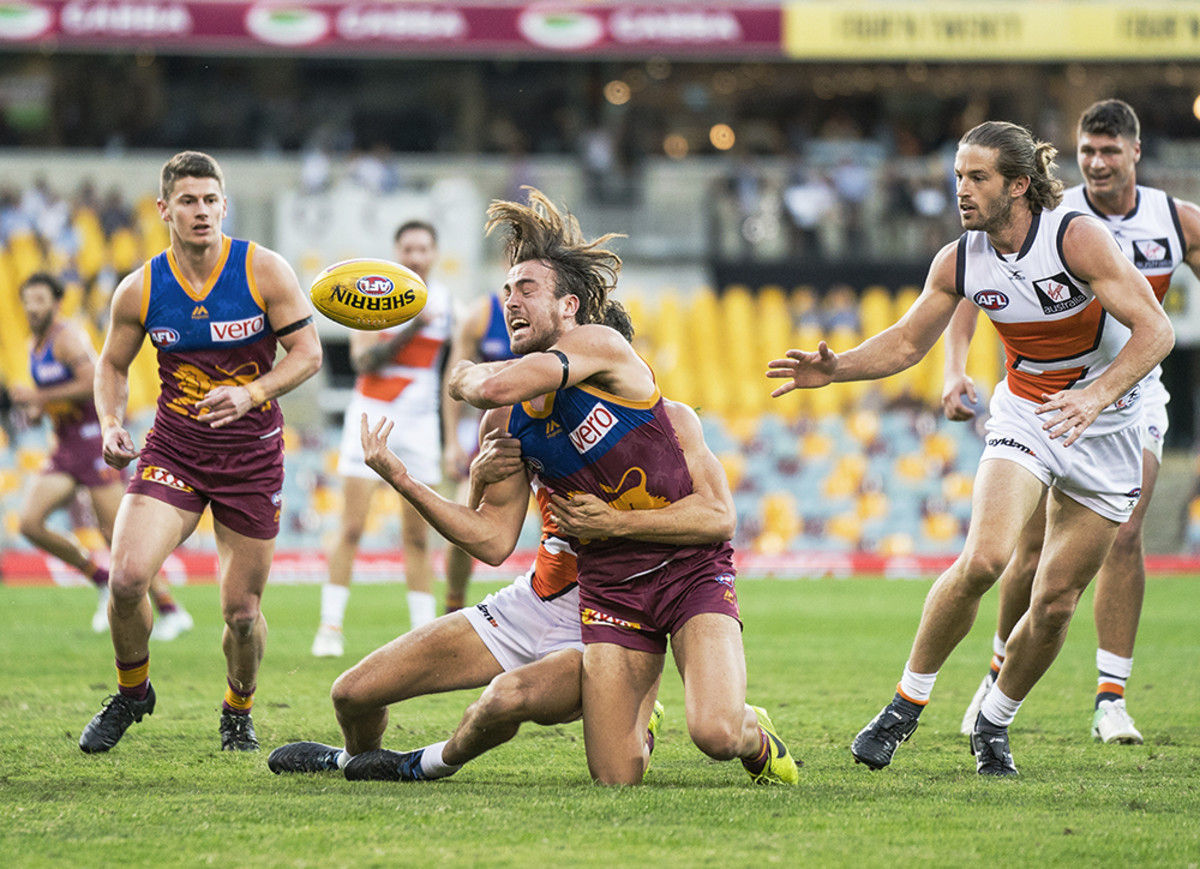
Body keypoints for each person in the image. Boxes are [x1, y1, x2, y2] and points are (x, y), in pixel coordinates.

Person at [767, 121, 1174, 776]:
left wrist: (1096, 399)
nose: (961, 189)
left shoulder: (1076, 238)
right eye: (958, 175)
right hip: (1027, 414)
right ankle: (904, 704)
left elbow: (1156, 332)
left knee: (1055, 601)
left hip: (1110, 427)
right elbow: (904, 344)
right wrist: (835, 367)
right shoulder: (958, 259)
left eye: (976, 176)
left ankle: (994, 720)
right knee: (985, 558)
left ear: (1018, 184)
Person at [447, 188, 797, 786]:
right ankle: (645, 718)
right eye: (507, 291)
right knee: (616, 779)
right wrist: (479, 472)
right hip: (611, 590)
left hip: (689, 577)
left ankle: (753, 735)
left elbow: (719, 519)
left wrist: (465, 372)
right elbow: (500, 524)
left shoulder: (672, 415)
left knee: (714, 733)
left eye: (524, 290)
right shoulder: (542, 421)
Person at [268, 384, 727, 782]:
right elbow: (489, 541)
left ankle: (424, 765)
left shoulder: (660, 425)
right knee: (351, 694)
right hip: (533, 601)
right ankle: (351, 761)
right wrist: (436, 480)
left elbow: (714, 520)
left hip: (609, 622)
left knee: (505, 699)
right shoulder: (519, 417)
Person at [942, 100, 1200, 746]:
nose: (1098, 162)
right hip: (1044, 396)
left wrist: (1108, 389)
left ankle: (1110, 695)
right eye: (1088, 150)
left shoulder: (1175, 221)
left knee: (1127, 526)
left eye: (1111, 150)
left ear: (1136, 152)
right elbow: (969, 287)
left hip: (1132, 392)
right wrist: (953, 367)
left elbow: (1154, 328)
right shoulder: (1053, 217)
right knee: (1026, 549)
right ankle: (998, 672)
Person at [78, 150, 322, 754]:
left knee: (241, 613)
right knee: (128, 578)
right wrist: (111, 424)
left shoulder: (264, 271)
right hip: (176, 451)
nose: (202, 211)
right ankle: (133, 693)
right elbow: (110, 364)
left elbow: (310, 354)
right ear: (164, 209)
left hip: (251, 459)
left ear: (224, 204)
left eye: (211, 200)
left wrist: (252, 394)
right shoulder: (141, 288)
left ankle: (238, 707)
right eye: (188, 201)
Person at [12, 272, 193, 640]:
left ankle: (171, 610)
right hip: (65, 447)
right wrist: (40, 411)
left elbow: (93, 378)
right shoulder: (35, 343)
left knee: (118, 538)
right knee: (29, 523)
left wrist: (38, 399)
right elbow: (60, 395)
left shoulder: (68, 337)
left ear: (56, 303)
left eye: (40, 299)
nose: (33, 307)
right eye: (28, 300)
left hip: (93, 442)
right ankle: (98, 579)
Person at [311, 220, 454, 657]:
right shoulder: (370, 300)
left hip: (421, 424)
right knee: (351, 526)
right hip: (371, 416)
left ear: (433, 253)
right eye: (407, 248)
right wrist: (413, 326)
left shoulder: (449, 303)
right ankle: (330, 627)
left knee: (417, 535)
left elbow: (450, 372)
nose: (415, 256)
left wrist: (451, 439)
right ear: (397, 253)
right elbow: (363, 362)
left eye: (423, 248)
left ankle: (422, 635)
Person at [438, 290, 517, 615]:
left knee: (559, 532)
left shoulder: (555, 309)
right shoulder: (482, 315)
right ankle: (454, 603)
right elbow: (454, 378)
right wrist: (452, 440)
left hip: (549, 432)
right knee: (461, 525)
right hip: (495, 437)